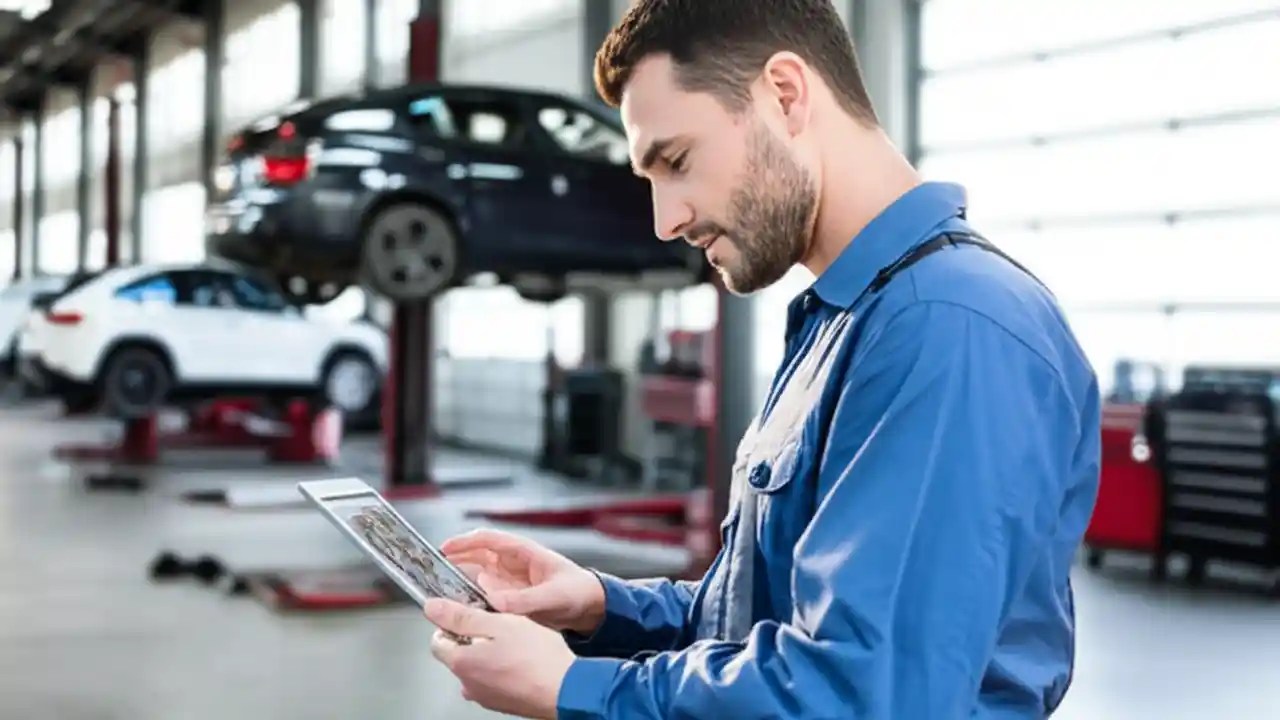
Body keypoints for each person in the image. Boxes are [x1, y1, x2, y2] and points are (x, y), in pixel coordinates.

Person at [423, 1, 1102, 718]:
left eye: (677, 161)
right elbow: (759, 624)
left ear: (784, 94)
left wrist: (573, 689)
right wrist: (600, 605)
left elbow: (865, 697)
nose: (666, 221)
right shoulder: (846, 321)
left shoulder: (948, 326)